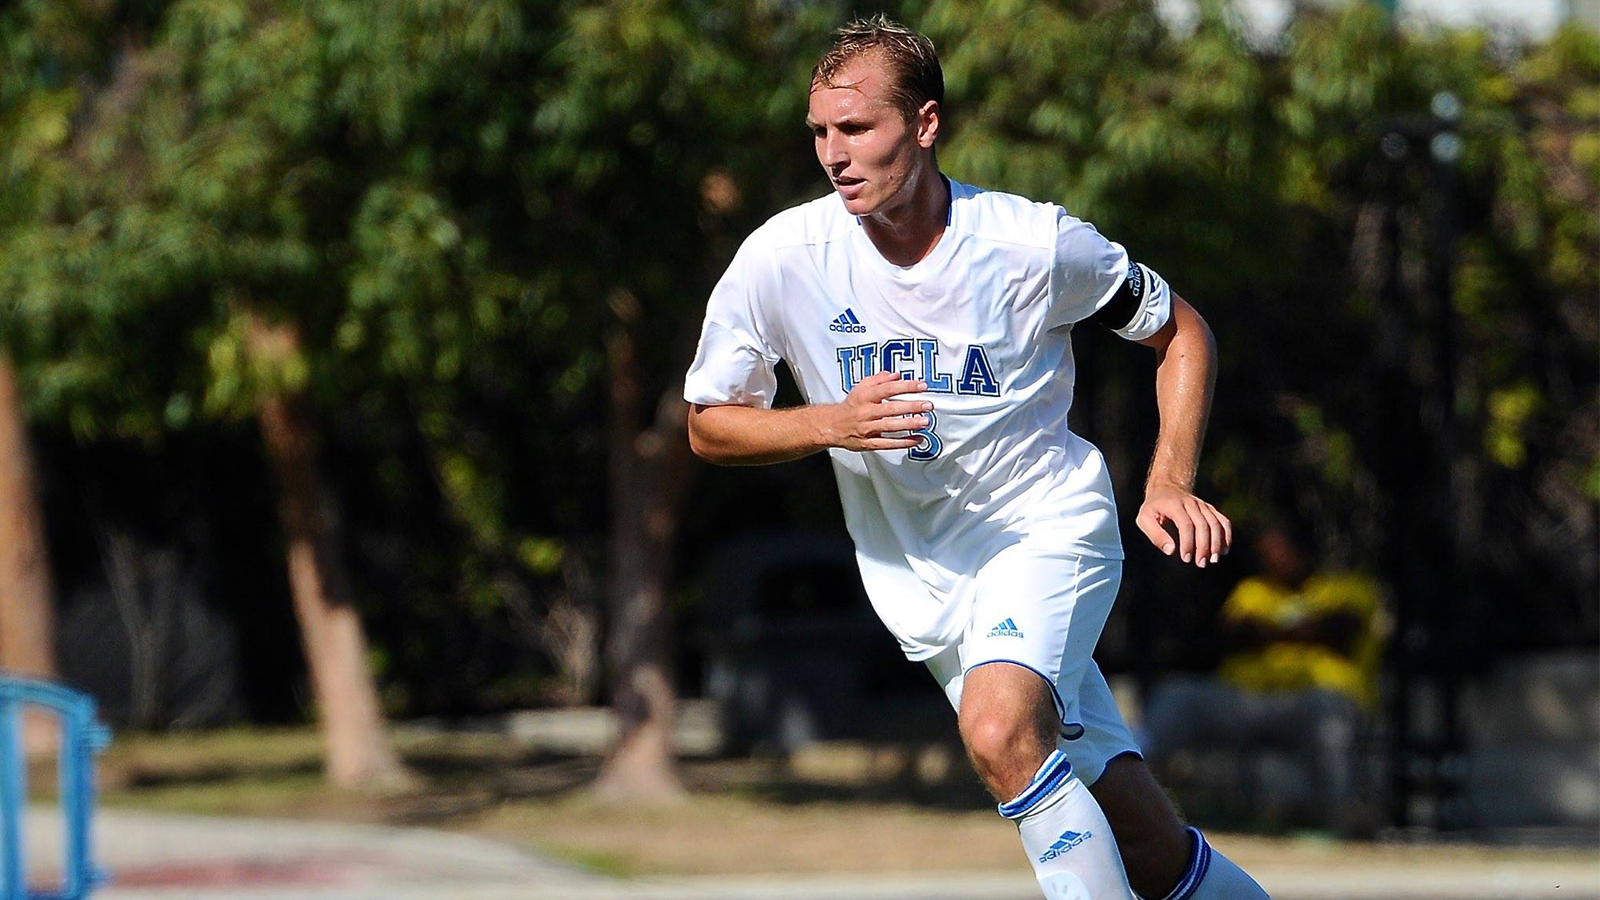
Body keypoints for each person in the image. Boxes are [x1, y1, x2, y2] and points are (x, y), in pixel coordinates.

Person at [684, 16, 1270, 900]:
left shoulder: (1030, 245)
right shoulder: (782, 258)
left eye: (857, 129)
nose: (834, 154)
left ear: (924, 124)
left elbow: (1182, 332)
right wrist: (828, 423)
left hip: (1044, 531)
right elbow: (709, 423)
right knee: (1138, 831)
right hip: (923, 581)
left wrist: (1170, 480)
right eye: (819, 132)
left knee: (998, 732)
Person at [1143, 522, 1383, 831]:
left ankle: (1339, 816)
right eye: (1266, 553)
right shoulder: (1252, 591)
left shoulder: (1345, 588)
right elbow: (1236, 634)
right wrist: (1304, 629)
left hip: (1311, 702)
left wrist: (1273, 630)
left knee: (1328, 713)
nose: (1274, 559)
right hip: (1247, 701)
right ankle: (1139, 792)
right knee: (1178, 695)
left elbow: (1340, 631)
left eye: (1281, 550)